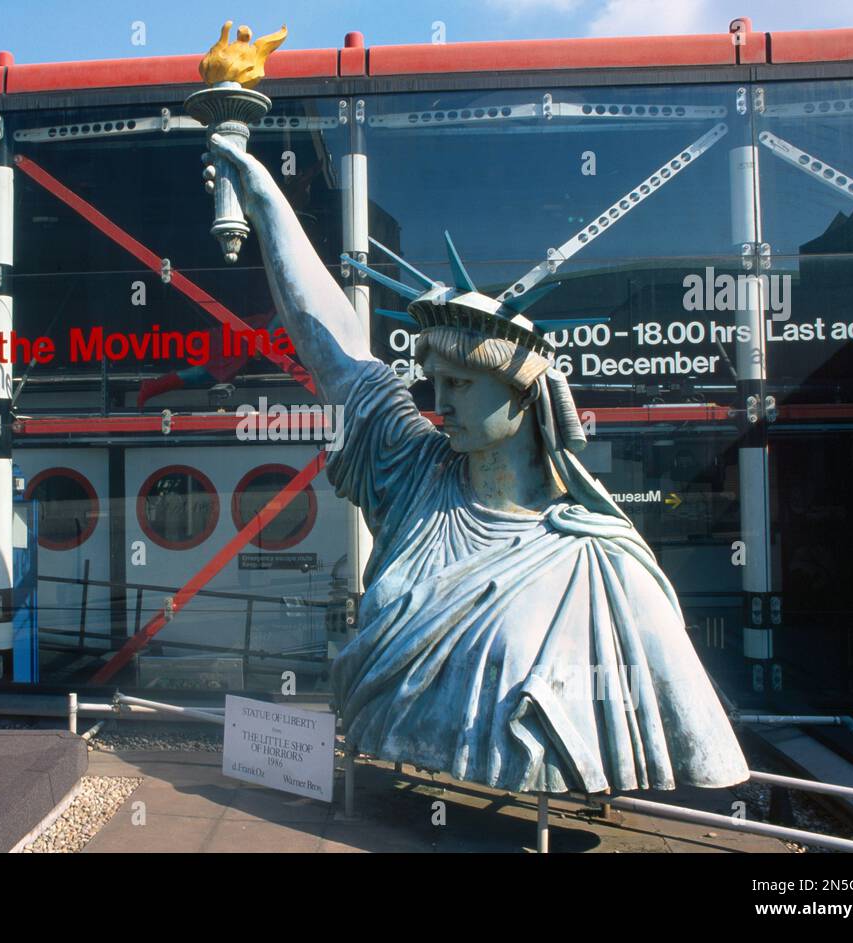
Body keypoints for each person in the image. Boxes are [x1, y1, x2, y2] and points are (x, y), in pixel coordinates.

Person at [202, 134, 748, 794]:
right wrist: (266, 201)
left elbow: (695, 732)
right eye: (435, 384)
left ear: (523, 397)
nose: (442, 403)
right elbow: (336, 350)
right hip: (389, 774)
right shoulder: (414, 474)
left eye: (461, 385)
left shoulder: (603, 568)